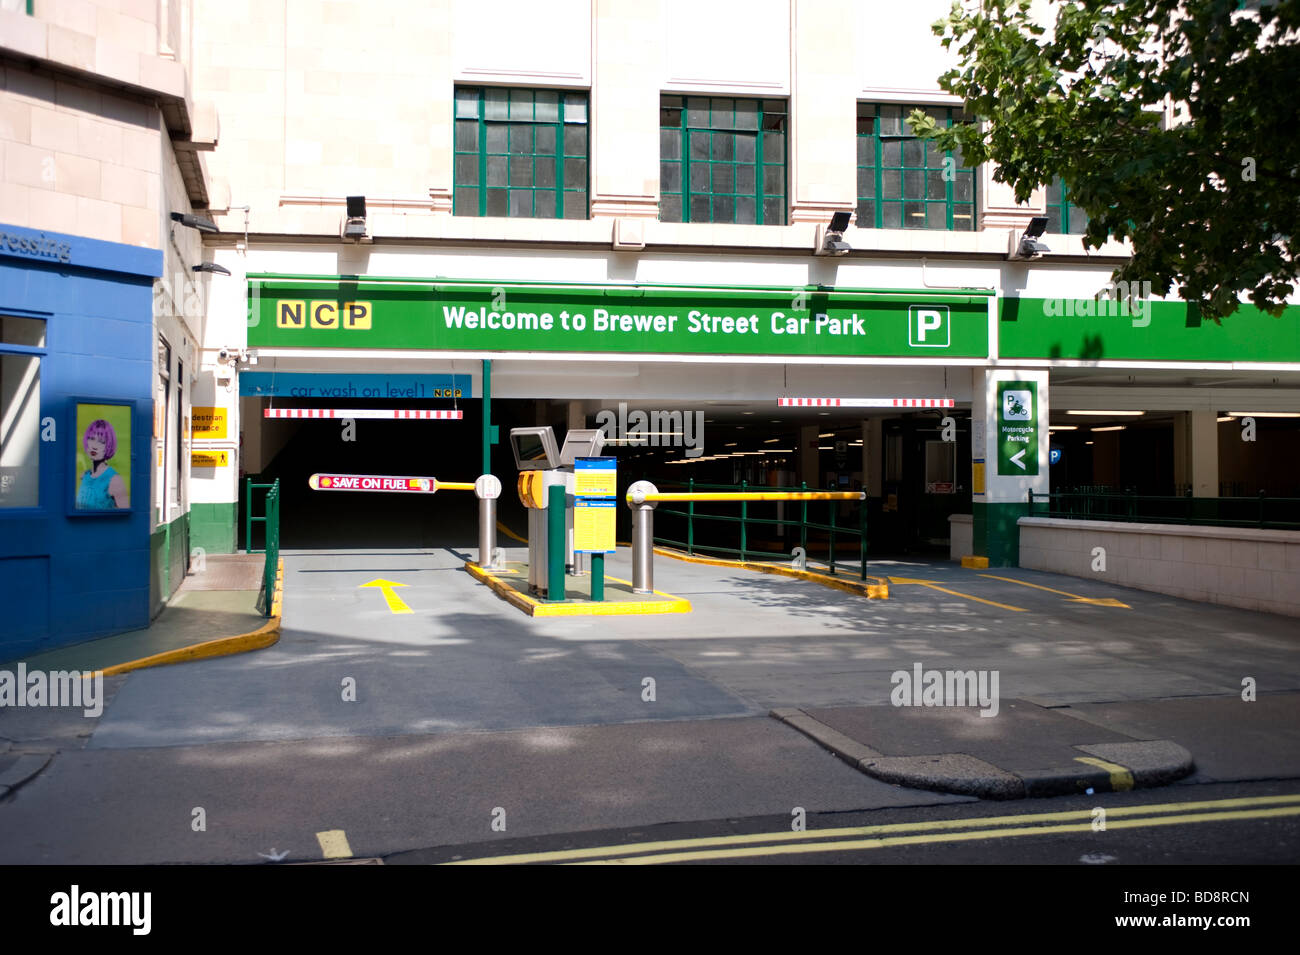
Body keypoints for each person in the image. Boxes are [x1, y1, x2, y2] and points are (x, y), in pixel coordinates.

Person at [77, 418, 129, 509]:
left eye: (101, 442)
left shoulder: (114, 480)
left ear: (108, 445)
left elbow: (125, 518)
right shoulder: (84, 476)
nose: (94, 446)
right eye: (91, 439)